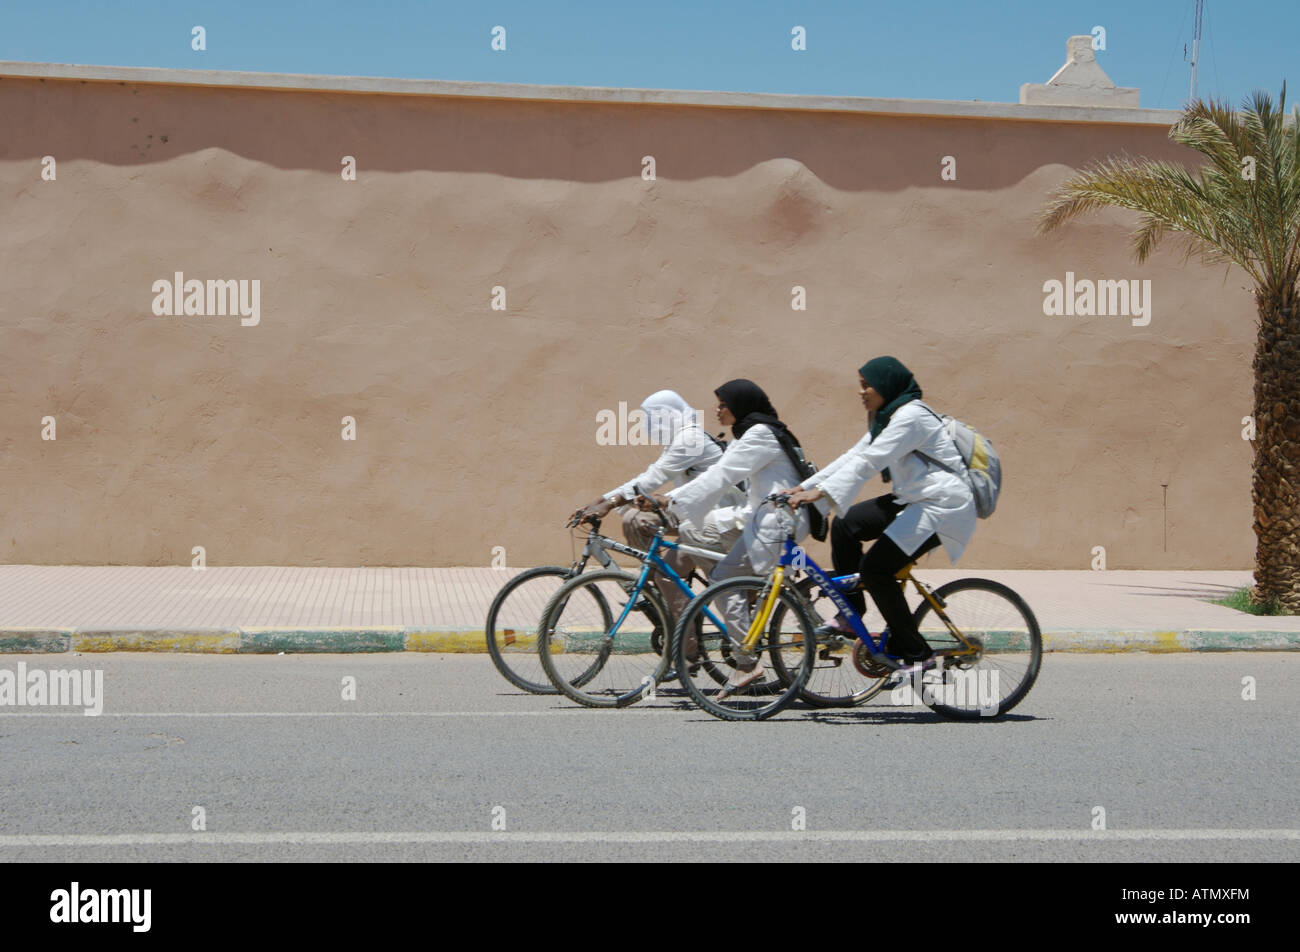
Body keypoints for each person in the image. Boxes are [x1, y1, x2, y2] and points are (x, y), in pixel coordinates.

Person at [784, 356, 976, 674]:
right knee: (846, 524)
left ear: (886, 386)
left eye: (867, 386)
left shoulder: (911, 416)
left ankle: (917, 653)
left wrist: (820, 494)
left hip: (943, 507)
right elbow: (855, 455)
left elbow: (872, 460)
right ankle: (851, 612)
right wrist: (801, 487)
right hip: (913, 500)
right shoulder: (888, 416)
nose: (862, 393)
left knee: (876, 570)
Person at [641, 379, 824, 696]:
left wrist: (671, 500)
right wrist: (673, 501)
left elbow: (721, 475)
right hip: (759, 516)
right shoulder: (751, 432)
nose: (717, 410)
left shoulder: (759, 435)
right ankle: (744, 596)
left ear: (739, 405)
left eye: (723, 404)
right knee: (693, 531)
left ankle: (746, 661)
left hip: (776, 521)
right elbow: (720, 474)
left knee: (725, 577)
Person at [576, 390, 744, 621]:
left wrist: (609, 503)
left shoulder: (690, 439)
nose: (651, 424)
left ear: (671, 415)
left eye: (656, 418)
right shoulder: (679, 439)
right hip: (692, 515)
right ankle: (660, 593)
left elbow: (652, 479)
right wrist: (602, 499)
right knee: (656, 559)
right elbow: (647, 476)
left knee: (637, 519)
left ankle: (659, 595)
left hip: (715, 521)